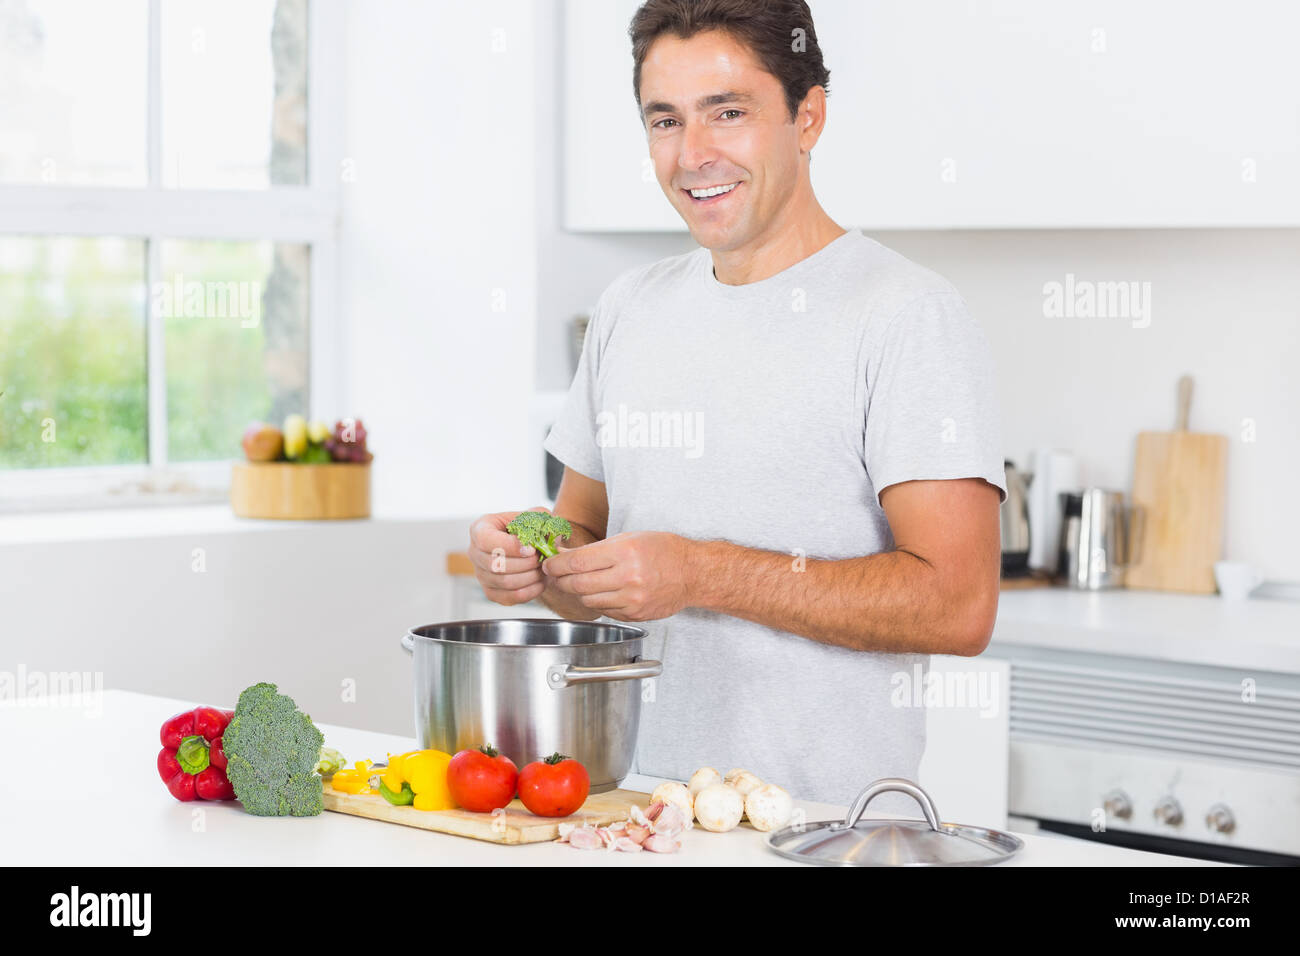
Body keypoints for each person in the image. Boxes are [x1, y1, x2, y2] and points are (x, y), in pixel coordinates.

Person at [468, 0, 1006, 807]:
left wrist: (702, 572)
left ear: (808, 118)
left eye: (728, 112)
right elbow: (583, 545)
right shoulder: (628, 308)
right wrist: (529, 560)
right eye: (664, 120)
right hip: (634, 814)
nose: (693, 154)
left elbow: (959, 606)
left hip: (828, 835)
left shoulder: (904, 315)